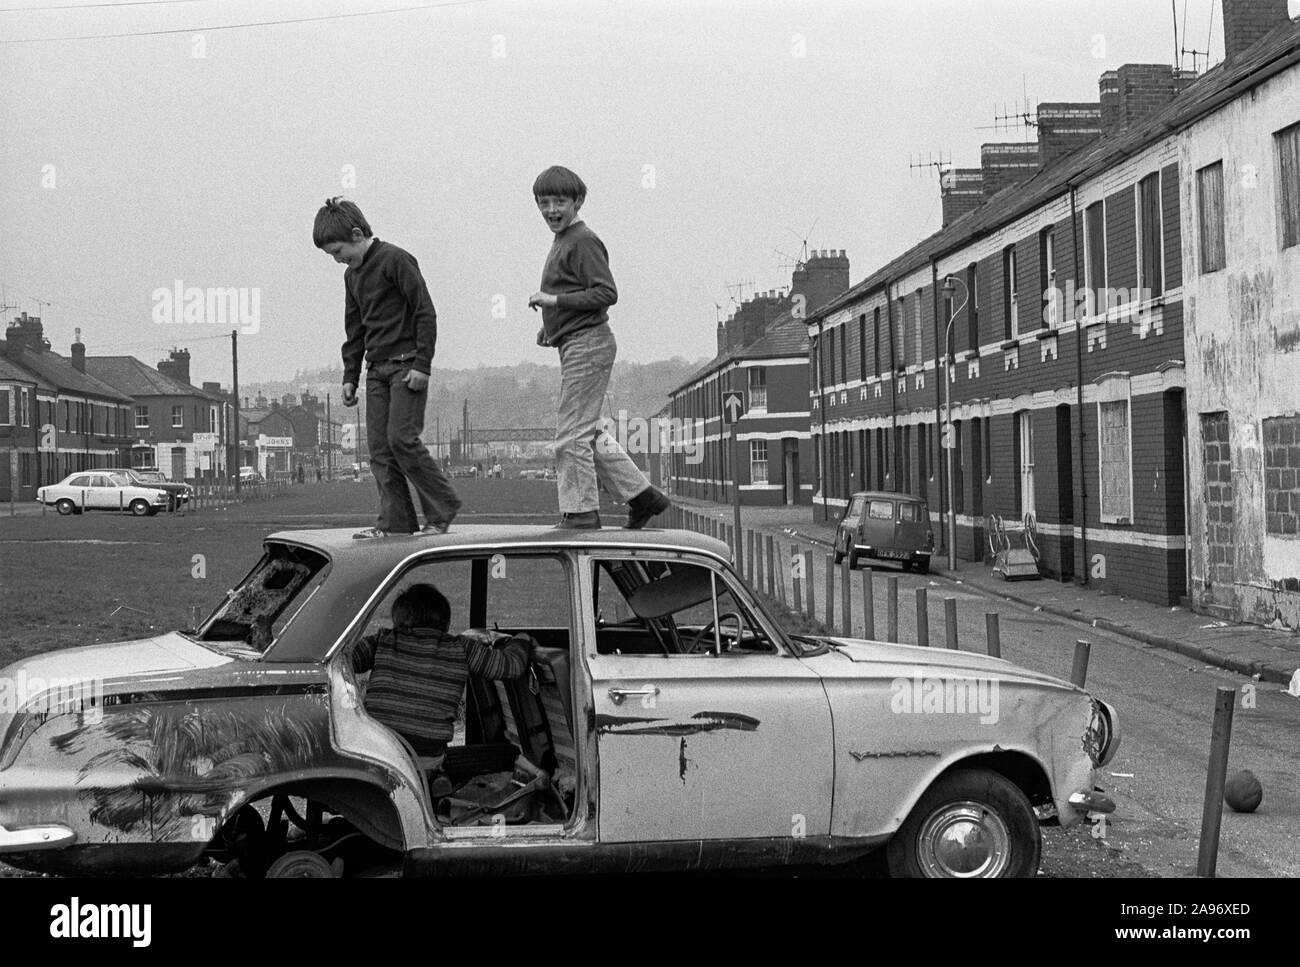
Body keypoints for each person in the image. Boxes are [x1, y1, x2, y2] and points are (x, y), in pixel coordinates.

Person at [527, 166, 670, 530]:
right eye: (544, 202)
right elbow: (580, 294)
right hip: (576, 342)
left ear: (578, 201)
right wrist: (552, 330)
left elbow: (606, 293)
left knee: (569, 437)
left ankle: (581, 513)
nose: (551, 209)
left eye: (560, 201)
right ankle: (642, 496)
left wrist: (554, 302)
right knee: (585, 432)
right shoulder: (564, 241)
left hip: (589, 345)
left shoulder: (583, 240)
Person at [314, 197, 461, 538]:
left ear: (355, 233)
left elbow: (425, 311)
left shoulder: (396, 260)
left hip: (407, 367)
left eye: (338, 251)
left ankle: (441, 511)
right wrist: (350, 376)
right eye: (332, 256)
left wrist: (423, 363)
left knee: (402, 439)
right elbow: (355, 329)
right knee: (379, 450)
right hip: (376, 371)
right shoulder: (352, 277)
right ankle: (396, 523)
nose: (338, 260)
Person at [349, 583, 532, 759]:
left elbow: (346, 660)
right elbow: (512, 666)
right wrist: (521, 641)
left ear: (398, 618)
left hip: (378, 749)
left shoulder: (383, 640)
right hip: (427, 755)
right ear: (445, 620)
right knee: (503, 755)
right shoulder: (462, 648)